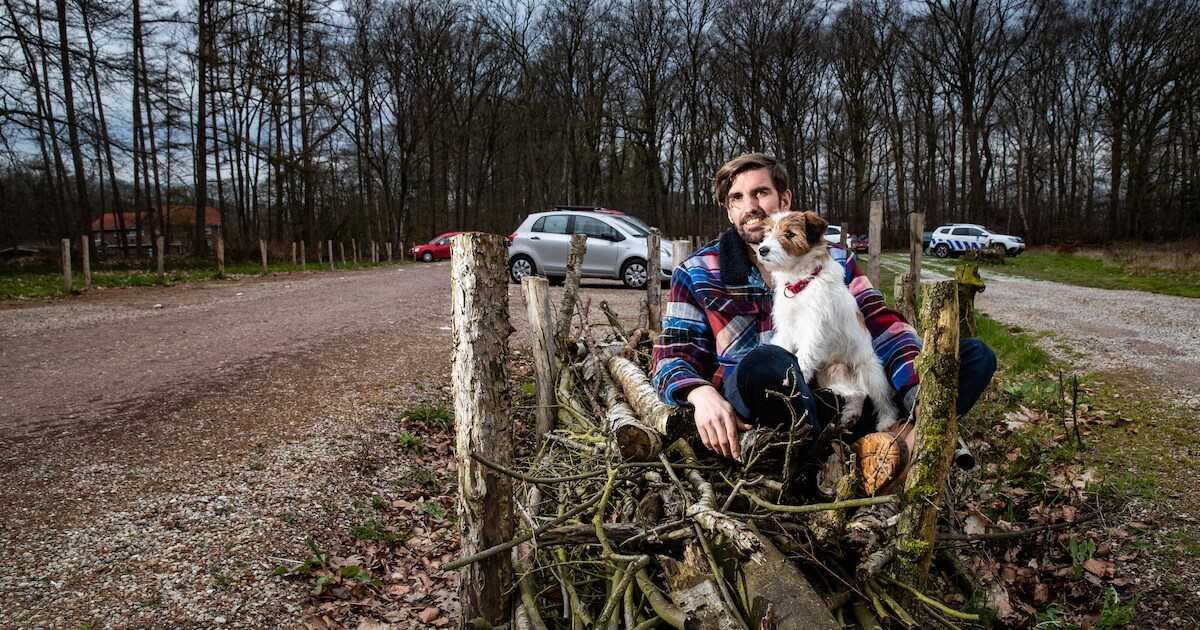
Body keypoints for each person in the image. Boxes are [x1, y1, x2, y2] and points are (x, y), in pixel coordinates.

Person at [652, 153, 996, 480]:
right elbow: (672, 354)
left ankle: (901, 439)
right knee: (765, 361)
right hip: (763, 407)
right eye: (737, 198)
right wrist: (700, 394)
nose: (751, 207)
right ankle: (837, 454)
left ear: (785, 200)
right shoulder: (697, 271)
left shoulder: (835, 261)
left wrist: (920, 393)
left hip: (838, 396)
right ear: (729, 211)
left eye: (760, 192)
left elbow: (880, 324)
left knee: (971, 357)